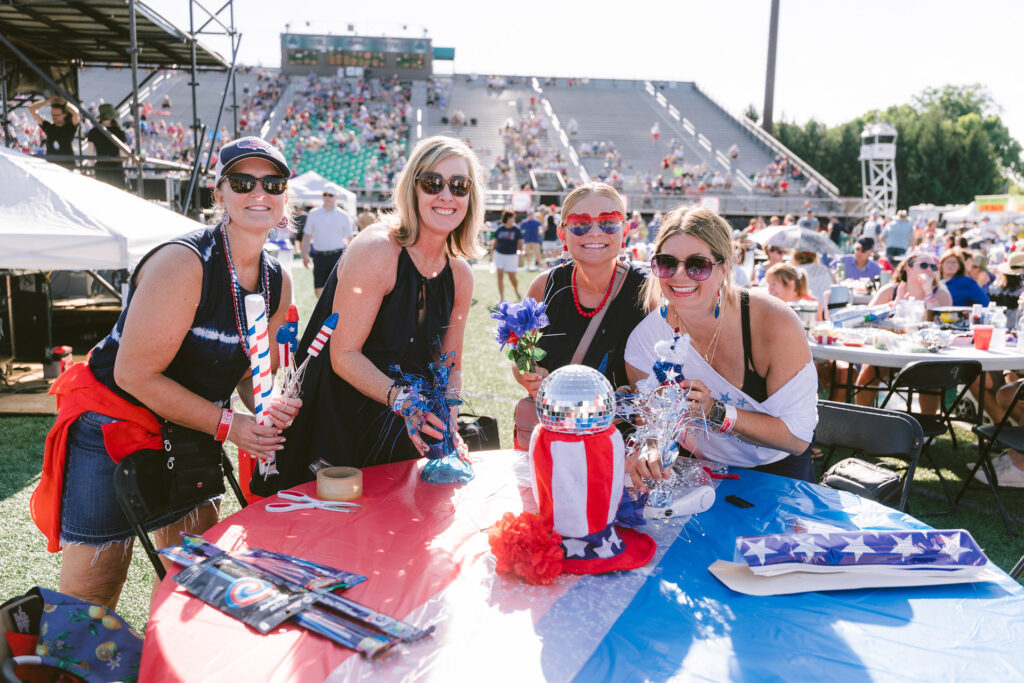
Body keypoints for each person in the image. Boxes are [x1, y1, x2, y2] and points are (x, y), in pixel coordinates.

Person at [30, 136, 301, 608]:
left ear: (284, 197)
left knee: (190, 580)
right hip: (114, 423)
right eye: (243, 182)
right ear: (219, 194)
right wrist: (229, 425)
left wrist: (268, 406)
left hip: (191, 430)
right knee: (93, 588)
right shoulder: (185, 261)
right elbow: (136, 374)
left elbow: (250, 373)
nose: (259, 193)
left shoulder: (279, 277)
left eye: (272, 183)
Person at [266, 135, 480, 487]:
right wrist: (403, 400)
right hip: (339, 424)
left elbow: (451, 365)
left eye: (459, 186)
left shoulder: (460, 275)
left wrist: (447, 419)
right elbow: (343, 355)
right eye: (432, 183)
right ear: (412, 189)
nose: (446, 195)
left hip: (405, 432)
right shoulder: (379, 249)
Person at [624, 207, 818, 484]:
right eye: (667, 263)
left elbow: (797, 438)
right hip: (696, 470)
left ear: (725, 266)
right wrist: (650, 450)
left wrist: (715, 412)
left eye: (697, 265)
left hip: (777, 472)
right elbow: (651, 428)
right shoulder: (646, 339)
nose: (679, 275)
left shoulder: (773, 322)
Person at [512, 182, 649, 407]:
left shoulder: (648, 292)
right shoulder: (544, 286)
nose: (595, 232)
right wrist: (528, 374)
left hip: (622, 438)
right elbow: (521, 351)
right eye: (580, 223)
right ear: (563, 234)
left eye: (608, 222)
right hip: (553, 433)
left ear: (624, 231)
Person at [854, 253, 952, 409]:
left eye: (933, 267)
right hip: (890, 350)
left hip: (925, 353)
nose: (929, 270)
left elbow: (942, 323)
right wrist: (894, 303)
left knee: (932, 380)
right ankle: (864, 419)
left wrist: (928, 293)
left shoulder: (941, 294)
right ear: (908, 268)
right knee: (869, 373)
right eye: (923, 265)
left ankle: (926, 431)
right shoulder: (890, 291)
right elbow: (865, 317)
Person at [301, 186, 355, 297]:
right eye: (325, 194)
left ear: (336, 197)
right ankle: (324, 313)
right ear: (322, 196)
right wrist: (304, 255)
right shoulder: (313, 213)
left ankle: (333, 313)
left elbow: (349, 239)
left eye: (330, 195)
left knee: (336, 290)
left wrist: (351, 258)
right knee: (318, 290)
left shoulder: (344, 216)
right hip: (319, 257)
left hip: (337, 256)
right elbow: (307, 236)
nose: (328, 197)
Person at [28, 96, 80, 169]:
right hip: (51, 167)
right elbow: (31, 109)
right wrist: (47, 101)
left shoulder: (70, 127)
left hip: (68, 167)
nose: (54, 117)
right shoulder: (49, 127)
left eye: (57, 115)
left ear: (64, 115)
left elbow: (76, 113)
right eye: (52, 114)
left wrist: (65, 103)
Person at [86, 103, 127, 188]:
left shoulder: (93, 132)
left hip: (101, 169)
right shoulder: (120, 133)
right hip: (117, 169)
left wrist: (92, 171)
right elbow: (123, 155)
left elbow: (90, 155)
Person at [490, 209, 522, 301]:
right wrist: (491, 256)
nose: (512, 220)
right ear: (506, 218)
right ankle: (502, 298)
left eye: (513, 218)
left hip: (511, 256)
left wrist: (519, 255)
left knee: (512, 277)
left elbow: (520, 244)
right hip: (499, 254)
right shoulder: (500, 229)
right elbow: (495, 243)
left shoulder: (516, 230)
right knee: (500, 275)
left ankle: (516, 291)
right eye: (511, 218)